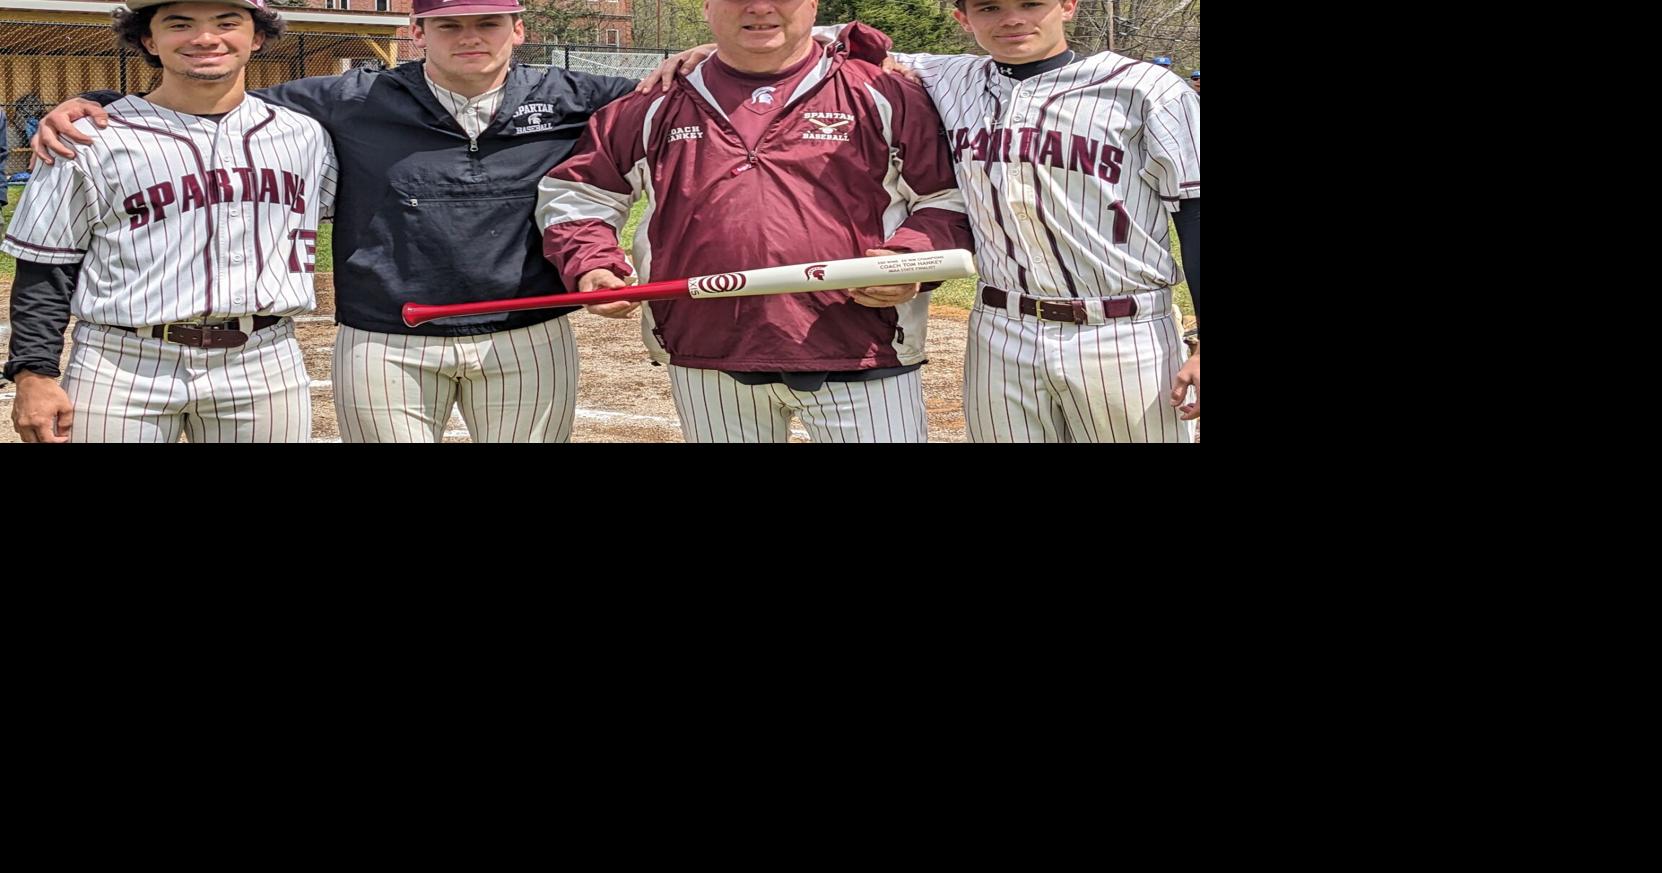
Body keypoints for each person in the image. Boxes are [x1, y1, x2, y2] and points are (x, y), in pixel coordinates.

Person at [34, 0, 637, 442]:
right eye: (448, 23)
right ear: (417, 32)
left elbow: (674, 96)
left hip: (526, 331)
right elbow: (211, 98)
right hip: (384, 336)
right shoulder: (353, 98)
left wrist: (693, 57)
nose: (469, 37)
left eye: (487, 23)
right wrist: (101, 103)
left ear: (518, 28)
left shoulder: (574, 94)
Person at [644, 0, 1200, 442]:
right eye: (988, 8)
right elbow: (810, 32)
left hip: (1124, 328)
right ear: (962, 18)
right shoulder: (945, 76)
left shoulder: (1148, 88)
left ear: (1068, 5)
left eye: (1032, 4)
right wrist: (711, 45)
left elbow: (1195, 212)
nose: (1012, 19)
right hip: (1000, 325)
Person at [538, 0, 972, 443]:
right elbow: (581, 191)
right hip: (706, 349)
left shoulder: (885, 90)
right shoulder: (657, 99)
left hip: (863, 346)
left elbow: (946, 198)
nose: (760, 7)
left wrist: (908, 263)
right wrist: (592, 261)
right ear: (707, 7)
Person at [3, 0, 336, 442]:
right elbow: (46, 265)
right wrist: (34, 375)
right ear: (148, 39)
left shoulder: (306, 136)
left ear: (256, 37)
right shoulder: (89, 137)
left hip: (263, 360)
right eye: (180, 24)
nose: (204, 38)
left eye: (226, 22)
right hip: (121, 361)